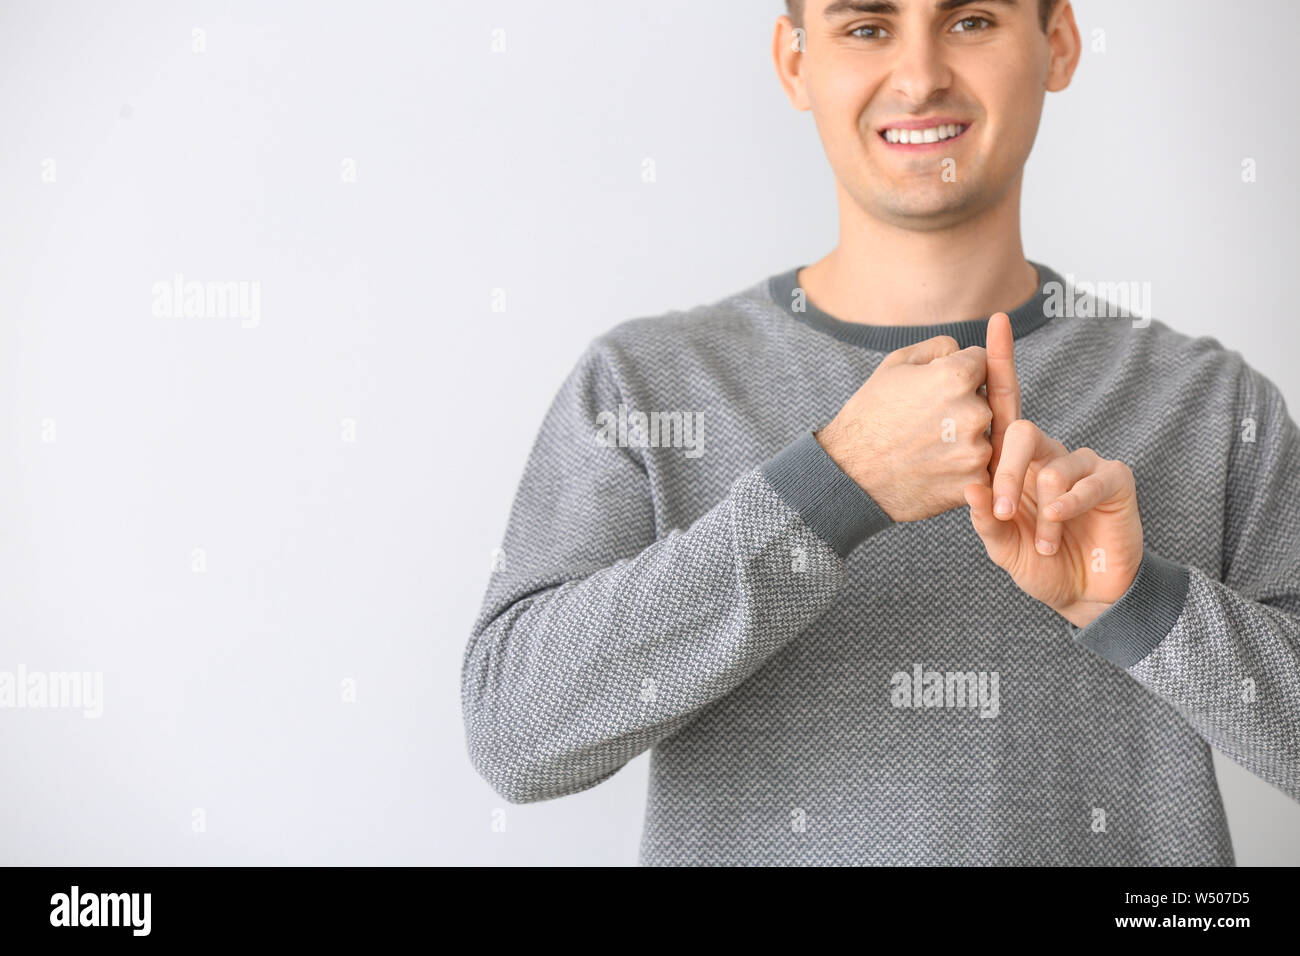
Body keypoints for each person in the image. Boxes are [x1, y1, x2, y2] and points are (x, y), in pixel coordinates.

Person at [460, 0, 1300, 865]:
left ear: (1058, 43)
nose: (920, 74)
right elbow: (514, 734)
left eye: (971, 20)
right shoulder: (646, 385)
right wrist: (832, 488)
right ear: (795, 62)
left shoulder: (1214, 403)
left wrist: (1137, 604)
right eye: (867, 27)